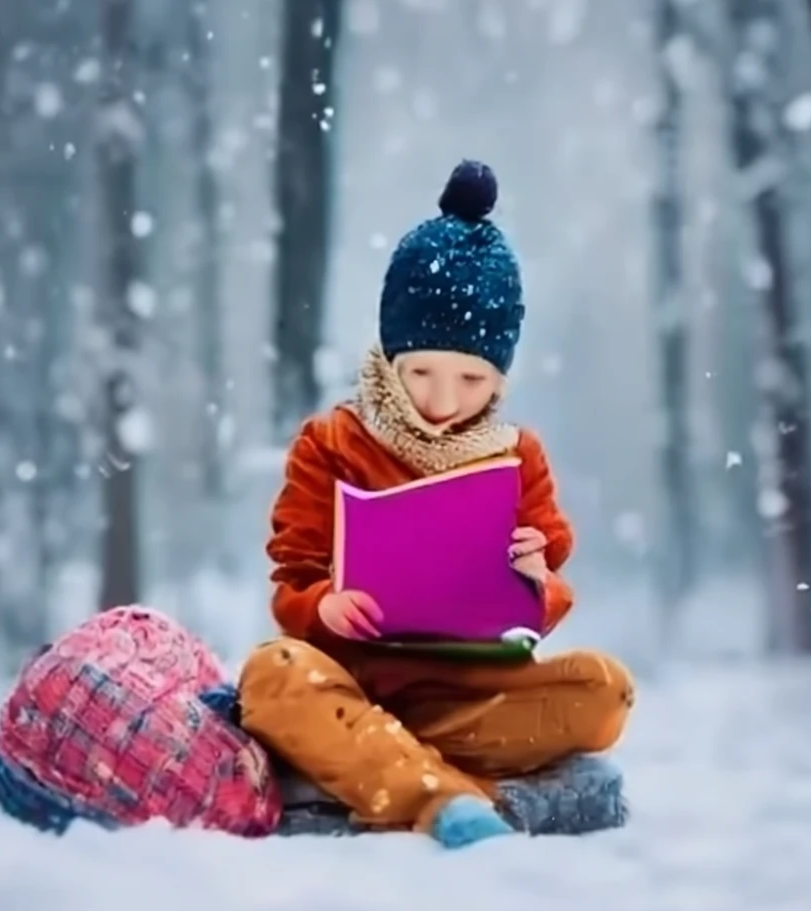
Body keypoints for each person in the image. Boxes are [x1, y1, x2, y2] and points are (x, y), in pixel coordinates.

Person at [238, 160, 636, 849]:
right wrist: (322, 606)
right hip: (352, 688)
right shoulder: (330, 442)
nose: (443, 400)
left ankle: (361, 771)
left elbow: (543, 603)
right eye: (420, 371)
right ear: (391, 356)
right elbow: (292, 580)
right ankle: (453, 800)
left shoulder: (519, 457)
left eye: (472, 378)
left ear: (499, 375)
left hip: (468, 702)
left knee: (605, 690)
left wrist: (536, 580)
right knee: (272, 677)